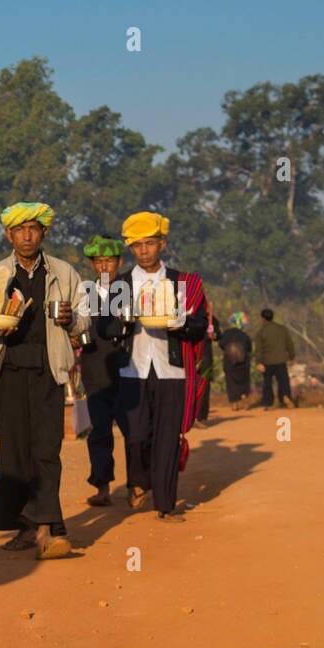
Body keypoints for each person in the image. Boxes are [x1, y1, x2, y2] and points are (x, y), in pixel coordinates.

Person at [0, 202, 87, 559]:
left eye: (34, 228)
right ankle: (25, 525)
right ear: (9, 235)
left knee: (47, 448)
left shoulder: (64, 273)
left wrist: (70, 320)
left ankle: (48, 530)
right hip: (10, 371)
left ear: (44, 233)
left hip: (49, 369)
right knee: (16, 451)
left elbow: (85, 319)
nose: (27, 235)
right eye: (20, 230)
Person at [99, 211, 209, 522]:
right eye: (137, 246)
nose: (144, 250)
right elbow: (103, 327)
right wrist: (122, 321)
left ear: (162, 243)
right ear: (131, 249)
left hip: (172, 371)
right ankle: (139, 480)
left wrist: (181, 325)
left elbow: (200, 325)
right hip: (131, 371)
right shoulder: (120, 285)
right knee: (135, 435)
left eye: (150, 243)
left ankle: (166, 504)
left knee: (167, 437)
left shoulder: (183, 283)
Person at [75, 235, 127, 507]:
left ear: (119, 262)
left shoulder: (131, 287)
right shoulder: (83, 293)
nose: (104, 266)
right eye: (98, 262)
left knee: (135, 430)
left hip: (128, 367)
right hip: (95, 368)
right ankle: (102, 486)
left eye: (109, 261)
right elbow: (76, 328)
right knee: (100, 431)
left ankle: (139, 483)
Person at [254, 308, 297, 408]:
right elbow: (289, 344)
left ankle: (269, 402)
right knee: (283, 381)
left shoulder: (261, 332)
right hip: (281, 360)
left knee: (267, 383)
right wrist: (292, 356)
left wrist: (259, 362)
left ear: (263, 318)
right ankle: (286, 397)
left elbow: (259, 349)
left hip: (267, 361)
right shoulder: (282, 329)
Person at [218, 312, 253, 409]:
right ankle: (244, 398)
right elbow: (249, 348)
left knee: (231, 382)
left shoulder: (226, 334)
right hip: (243, 362)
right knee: (244, 381)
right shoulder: (244, 335)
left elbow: (221, 344)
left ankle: (234, 403)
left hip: (229, 361)